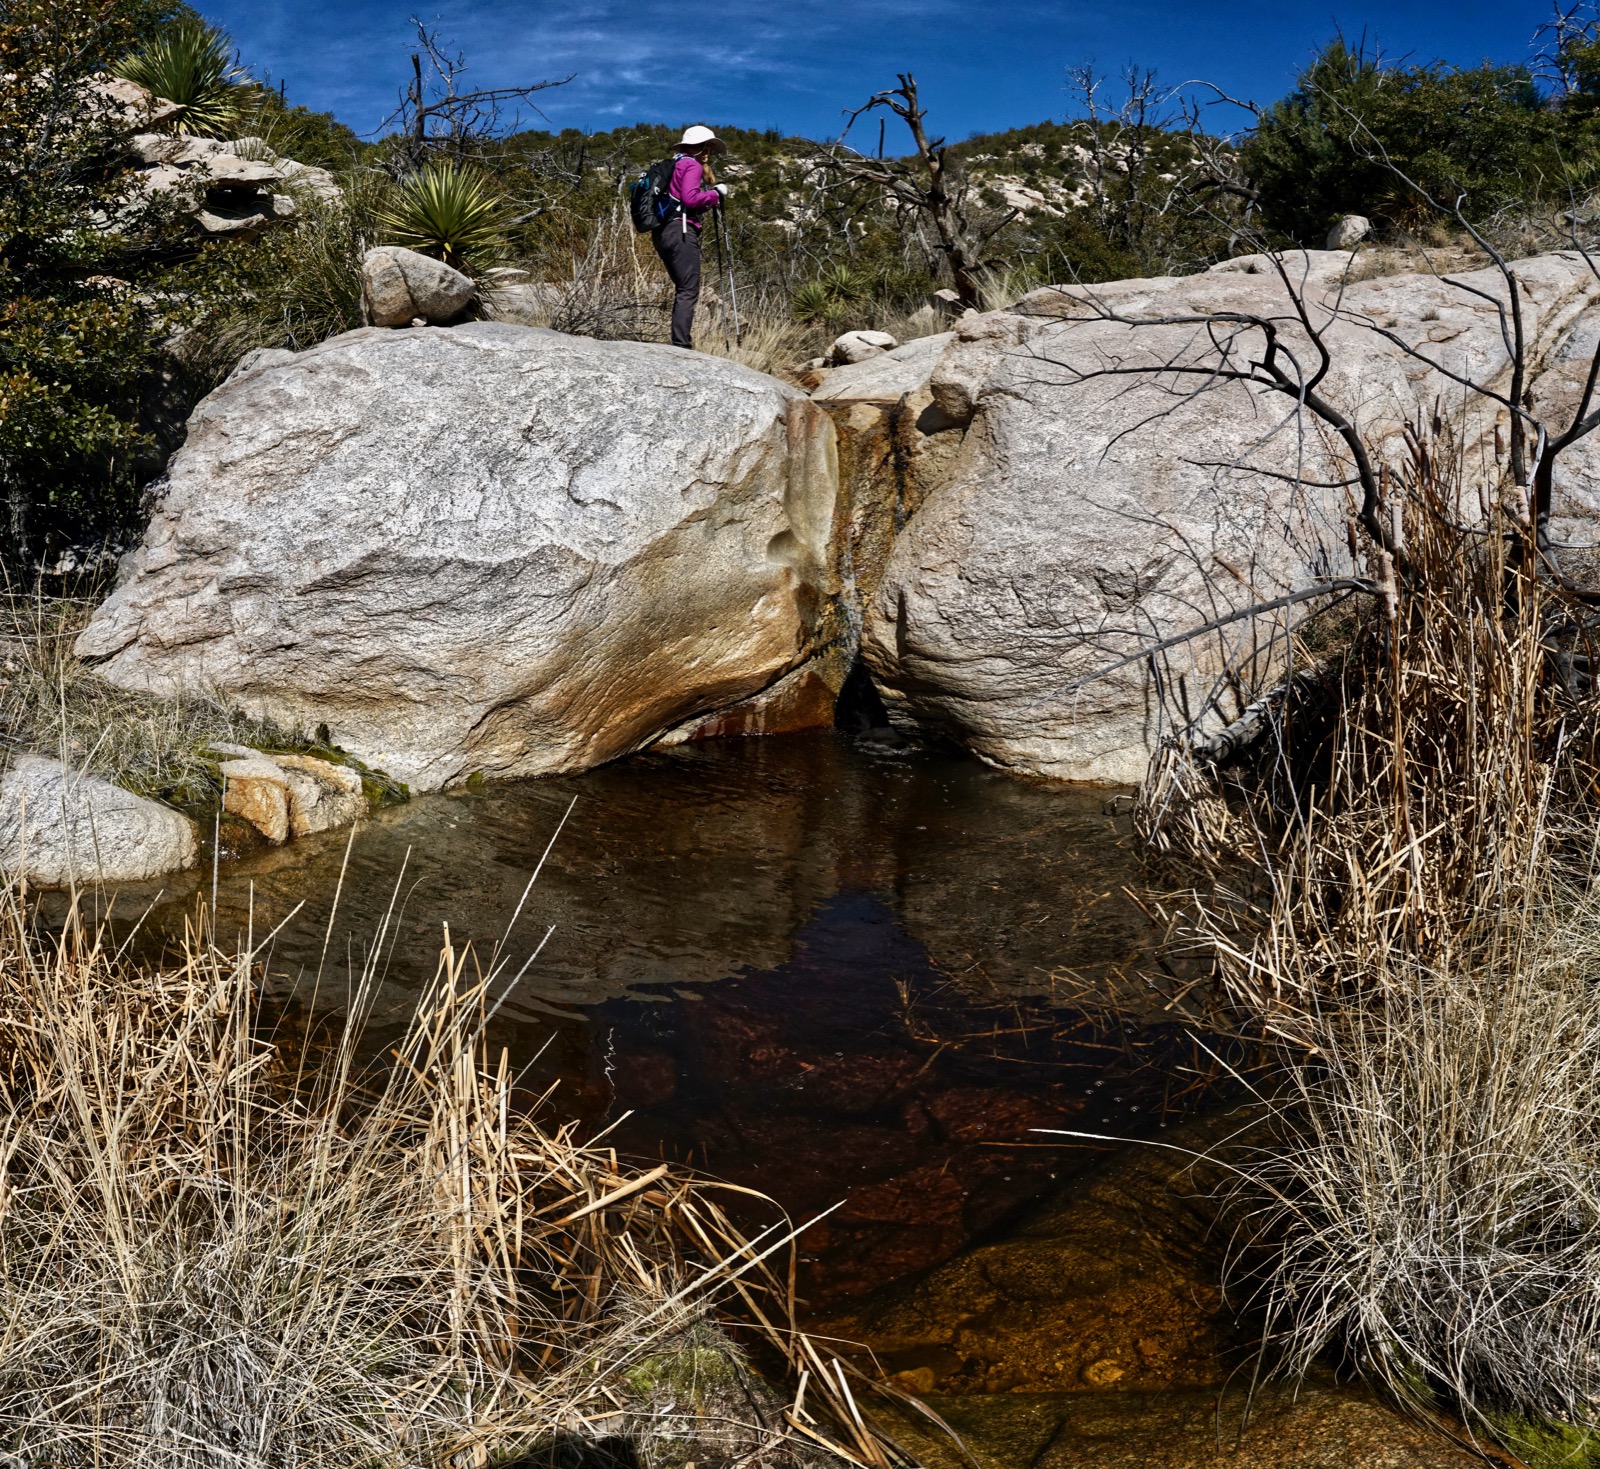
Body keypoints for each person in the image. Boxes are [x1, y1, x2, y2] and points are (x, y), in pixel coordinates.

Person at [653, 124, 728, 349]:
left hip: (662, 232)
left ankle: (680, 342)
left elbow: (683, 203)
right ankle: (682, 346)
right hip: (681, 232)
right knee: (688, 289)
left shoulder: (674, 164)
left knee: (683, 287)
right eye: (708, 147)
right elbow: (690, 200)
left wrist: (706, 199)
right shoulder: (692, 165)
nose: (709, 152)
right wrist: (715, 194)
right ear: (700, 147)